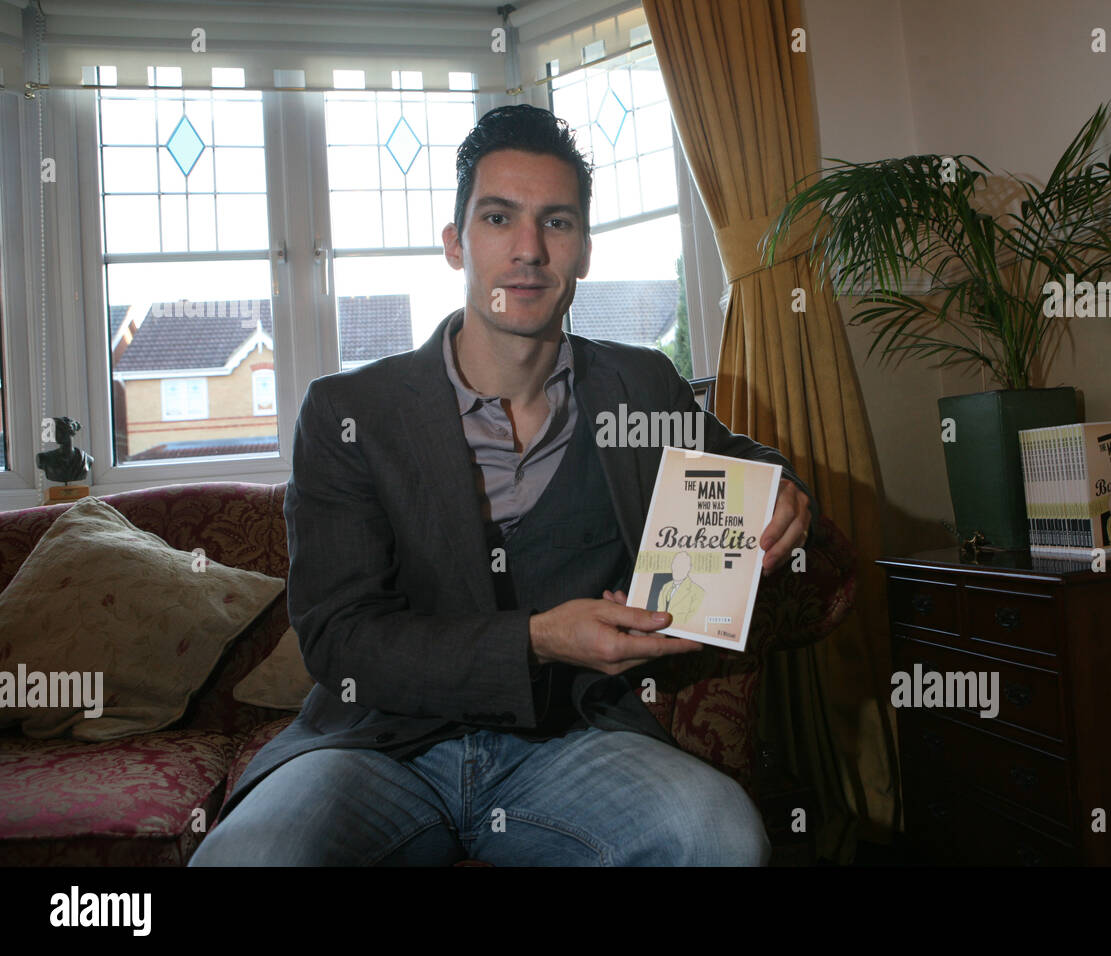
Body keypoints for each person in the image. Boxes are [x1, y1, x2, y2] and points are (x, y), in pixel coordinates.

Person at [189, 104, 817, 867]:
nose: (528, 251)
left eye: (556, 223)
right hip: (376, 745)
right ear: (456, 244)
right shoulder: (348, 412)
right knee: (245, 861)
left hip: (569, 741)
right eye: (498, 218)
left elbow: (730, 456)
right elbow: (340, 640)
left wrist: (779, 487)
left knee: (720, 836)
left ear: (583, 250)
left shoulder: (639, 384)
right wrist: (539, 639)